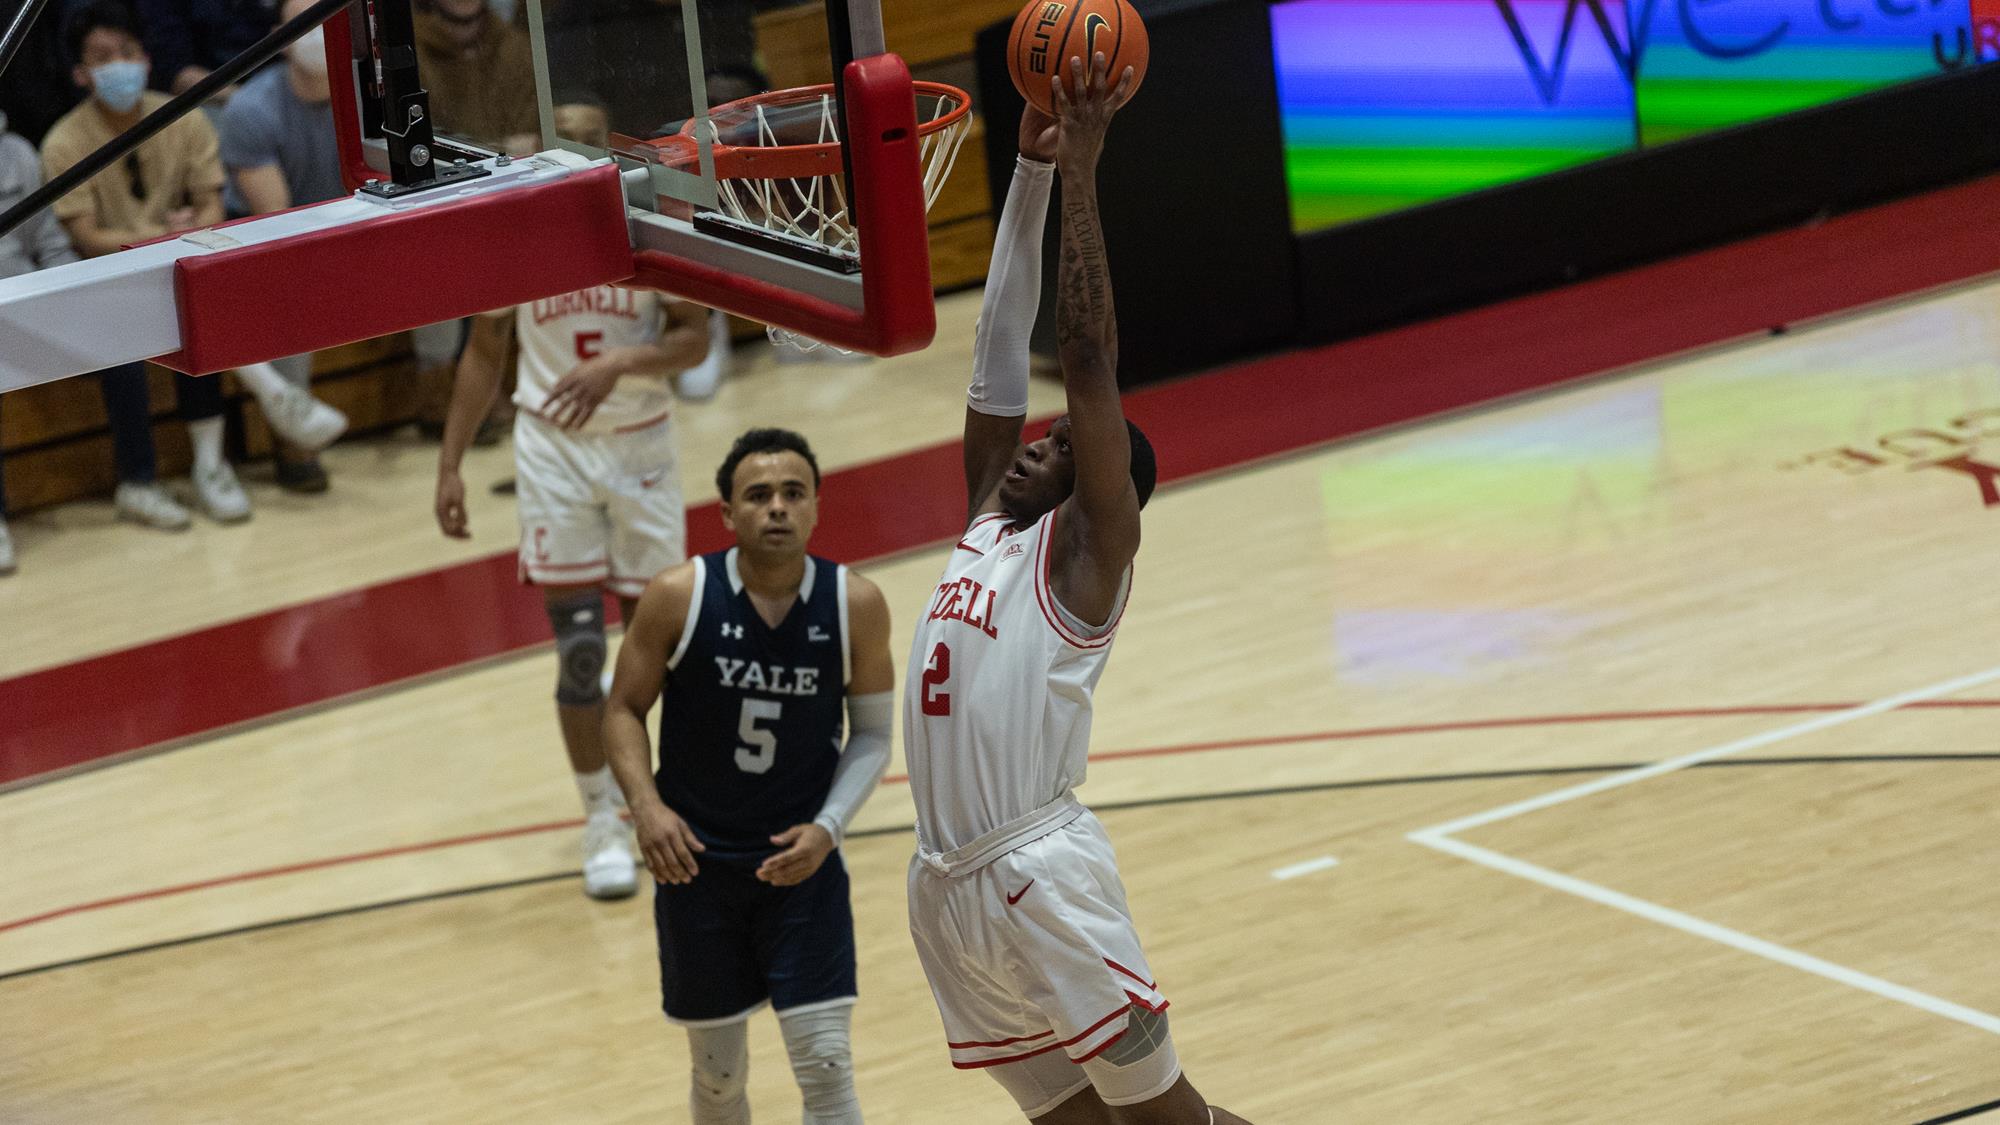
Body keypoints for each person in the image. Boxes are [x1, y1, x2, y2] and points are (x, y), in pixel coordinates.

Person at [901, 60, 1254, 1125]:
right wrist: (1026, 173)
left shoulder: (1086, 555)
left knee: (1166, 1122)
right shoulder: (986, 526)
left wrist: (1087, 173)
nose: (1030, 451)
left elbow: (1084, 358)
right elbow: (994, 351)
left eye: (1057, 450)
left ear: (1098, 492)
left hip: (1039, 875)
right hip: (946, 885)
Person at [602, 427, 894, 1125]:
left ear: (818, 506)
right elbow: (620, 709)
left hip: (801, 867)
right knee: (718, 1076)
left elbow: (876, 733)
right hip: (695, 867)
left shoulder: (855, 602)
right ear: (727, 512)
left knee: (825, 1064)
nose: (777, 508)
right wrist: (646, 807)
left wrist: (829, 828)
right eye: (757, 495)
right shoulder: (678, 594)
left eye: (793, 493)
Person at [432, 208, 709, 897]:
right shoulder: (514, 246)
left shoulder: (646, 229)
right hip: (553, 447)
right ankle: (602, 819)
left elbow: (696, 338)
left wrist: (621, 362)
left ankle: (665, 801)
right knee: (581, 649)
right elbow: (485, 352)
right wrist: (450, 463)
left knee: (660, 645)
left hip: (641, 443)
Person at [44, 0, 343, 528]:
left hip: (179, 270)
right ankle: (142, 479)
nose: (120, 63)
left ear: (147, 56)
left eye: (128, 51)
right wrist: (160, 236)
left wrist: (173, 237)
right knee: (130, 329)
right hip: (107, 281)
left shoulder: (182, 119)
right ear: (80, 73)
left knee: (194, 306)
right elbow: (89, 238)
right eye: (103, 56)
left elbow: (210, 207)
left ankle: (211, 465)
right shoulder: (63, 142)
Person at [217, 0, 353, 491]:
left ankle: (435, 390)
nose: (317, 33)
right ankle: (292, 433)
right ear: (280, 35)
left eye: (326, 19)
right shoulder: (251, 110)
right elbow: (279, 222)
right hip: (270, 238)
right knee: (290, 284)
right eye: (304, 23)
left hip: (350, 223)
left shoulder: (369, 95)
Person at [0, 107, 85, 574]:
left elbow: (49, 240)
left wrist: (72, 289)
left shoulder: (15, 153)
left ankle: (141, 481)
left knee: (120, 334)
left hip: (27, 300)